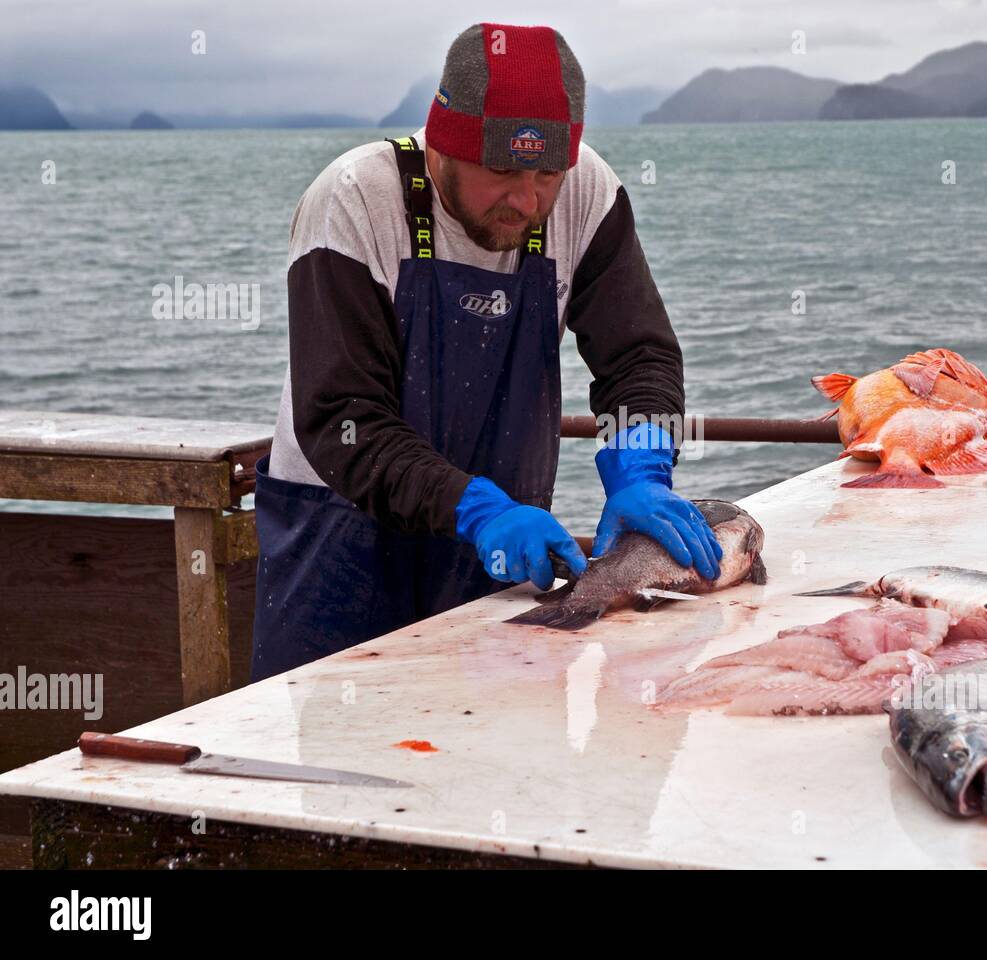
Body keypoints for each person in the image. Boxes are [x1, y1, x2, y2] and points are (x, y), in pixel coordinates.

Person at [250, 22, 720, 680]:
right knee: (336, 762)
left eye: (546, 174)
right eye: (501, 172)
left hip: (501, 549)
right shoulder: (353, 200)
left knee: (501, 759)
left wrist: (640, 463)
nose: (527, 201)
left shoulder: (587, 193)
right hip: (341, 544)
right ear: (442, 147)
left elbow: (637, 356)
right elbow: (340, 416)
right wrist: (476, 508)